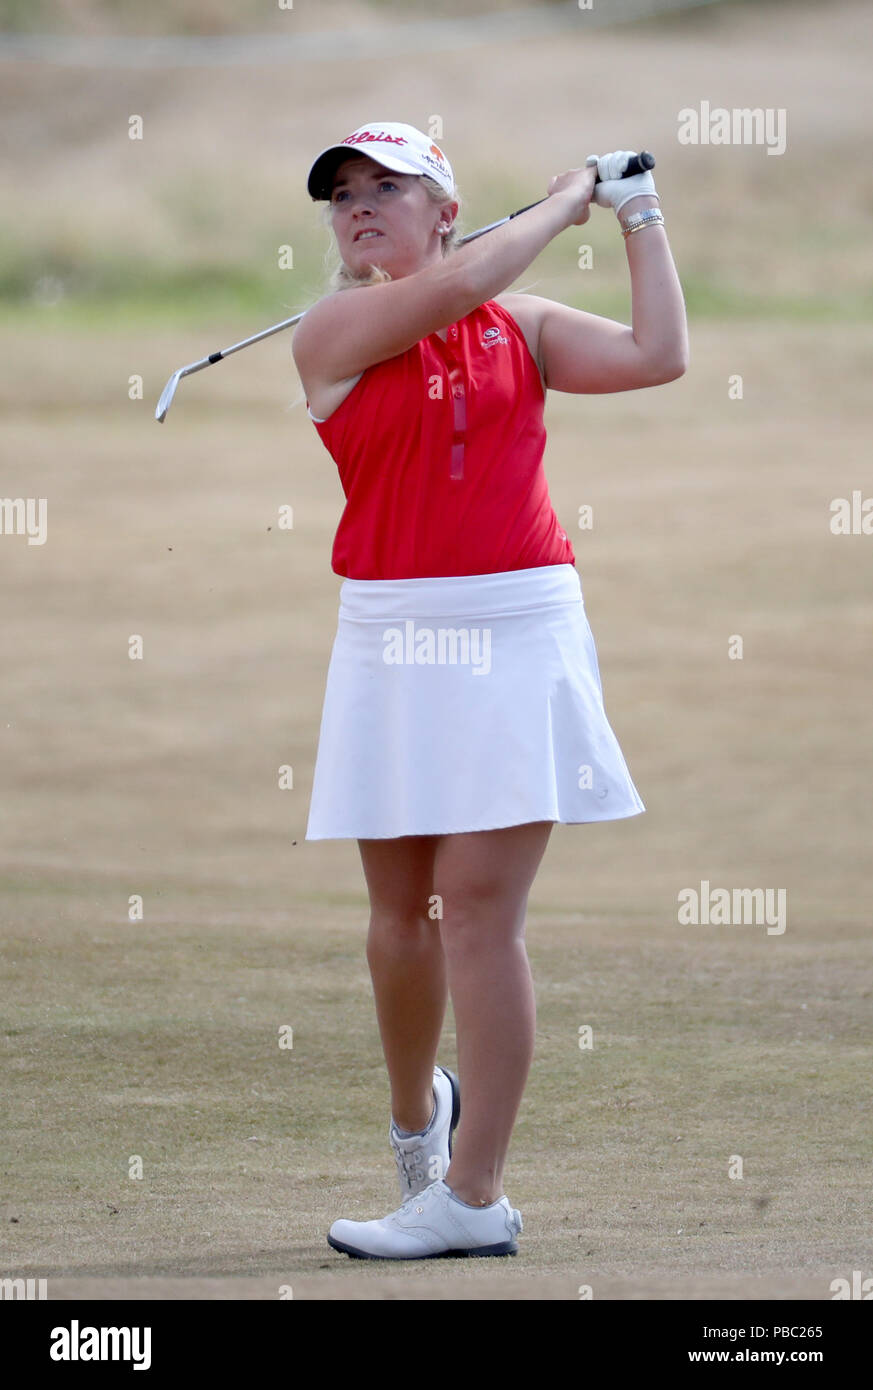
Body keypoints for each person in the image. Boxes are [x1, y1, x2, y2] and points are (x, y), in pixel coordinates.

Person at [292, 122, 688, 1260]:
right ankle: (417, 1117)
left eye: (388, 188)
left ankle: (471, 1199)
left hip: (518, 628)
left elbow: (660, 353)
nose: (359, 205)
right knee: (398, 919)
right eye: (343, 195)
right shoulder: (332, 332)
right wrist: (561, 205)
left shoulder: (522, 323)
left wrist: (636, 212)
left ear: (444, 207)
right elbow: (459, 282)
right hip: (388, 636)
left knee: (474, 906)